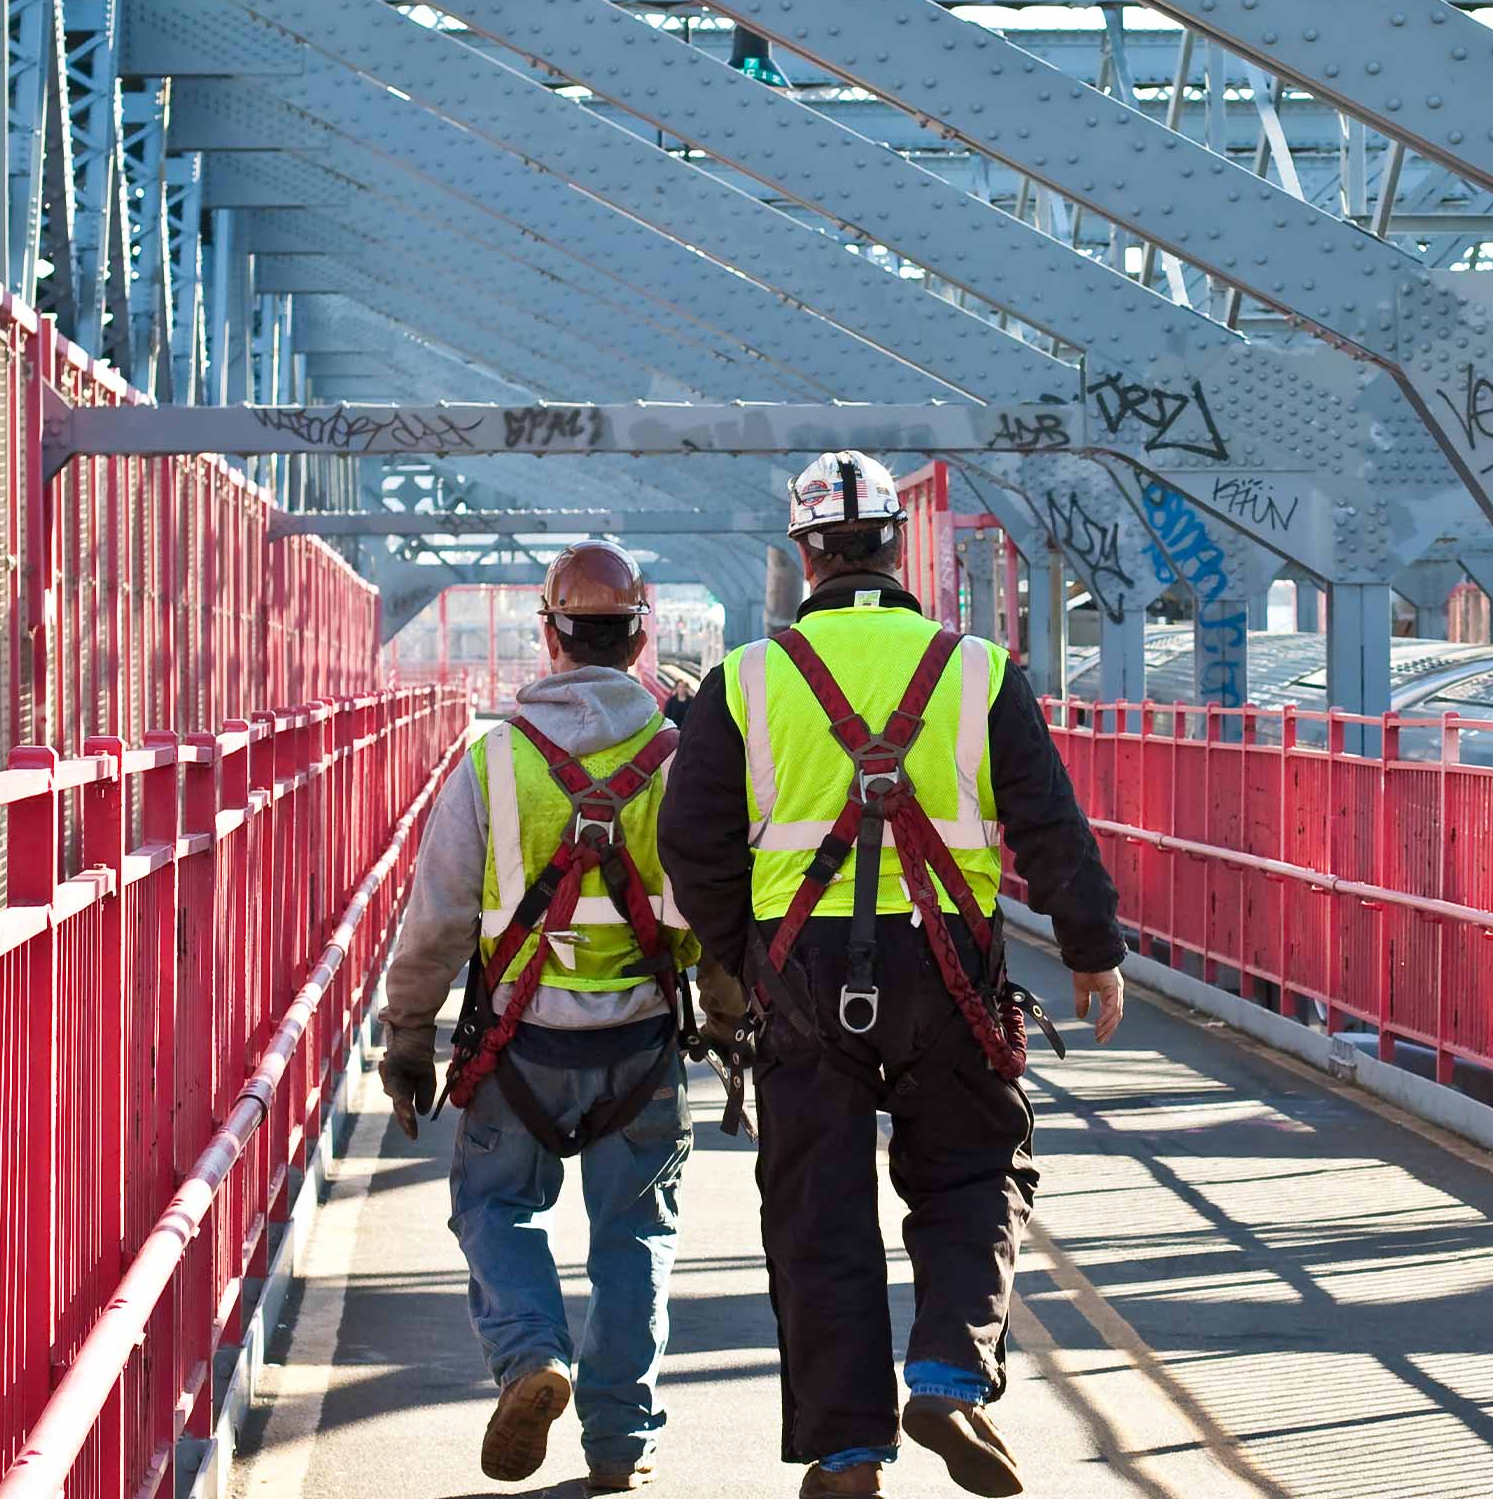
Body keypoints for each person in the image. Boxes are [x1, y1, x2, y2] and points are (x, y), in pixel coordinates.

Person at [660, 452, 1127, 1499]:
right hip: (946, 961)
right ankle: (950, 1370)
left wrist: (750, 959)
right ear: (896, 544)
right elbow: (1049, 825)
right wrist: (1091, 950)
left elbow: (691, 844)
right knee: (973, 1169)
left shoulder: (742, 681)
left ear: (803, 552)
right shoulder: (976, 670)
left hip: (798, 968)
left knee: (816, 1208)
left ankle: (845, 1450)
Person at [378, 539, 741, 1493]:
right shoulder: (679, 758)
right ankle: (621, 1442)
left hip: (518, 1042)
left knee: (495, 1207)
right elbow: (717, 899)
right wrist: (731, 1013)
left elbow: (439, 915)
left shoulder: (493, 760)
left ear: (550, 636)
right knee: (635, 1237)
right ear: (640, 638)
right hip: (642, 1040)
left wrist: (408, 1035)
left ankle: (533, 1352)